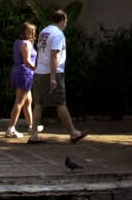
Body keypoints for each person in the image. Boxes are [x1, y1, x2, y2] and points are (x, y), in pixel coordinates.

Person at [31, 9, 87, 143]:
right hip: (52, 72)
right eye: (66, 20)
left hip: (39, 72)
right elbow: (55, 55)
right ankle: (73, 133)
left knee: (38, 103)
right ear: (62, 20)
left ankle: (33, 135)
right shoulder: (58, 34)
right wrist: (53, 78)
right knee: (61, 103)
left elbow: (39, 50)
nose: (66, 23)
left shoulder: (44, 31)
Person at [6, 21, 39, 138]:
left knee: (28, 102)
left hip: (17, 70)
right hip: (25, 73)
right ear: (30, 33)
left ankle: (32, 126)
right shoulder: (26, 44)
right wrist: (38, 69)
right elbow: (27, 61)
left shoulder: (17, 42)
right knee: (19, 101)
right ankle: (11, 128)